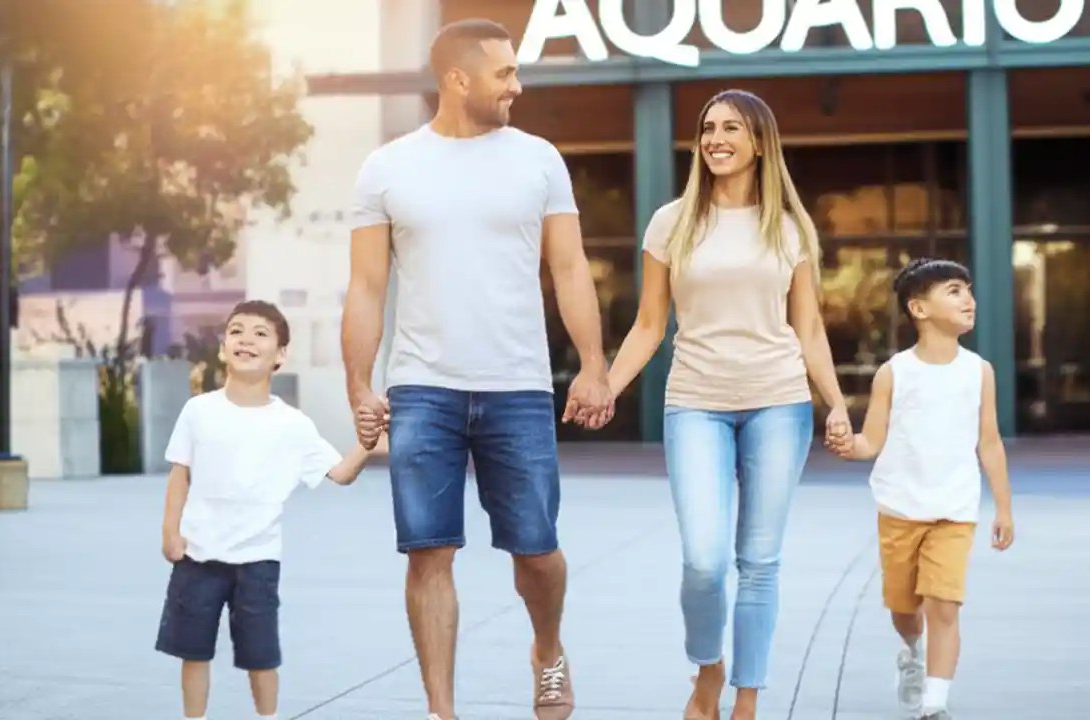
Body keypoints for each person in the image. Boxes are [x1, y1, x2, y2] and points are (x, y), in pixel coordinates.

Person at [341, 18, 613, 720]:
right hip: (422, 387)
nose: (518, 87)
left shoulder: (539, 160)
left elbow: (569, 267)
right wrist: (359, 385)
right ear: (457, 79)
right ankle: (441, 710)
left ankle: (547, 648)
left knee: (536, 551)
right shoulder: (388, 167)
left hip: (518, 386)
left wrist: (593, 365)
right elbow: (367, 287)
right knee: (428, 553)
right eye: (505, 74)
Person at [605, 88, 854, 720]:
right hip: (696, 402)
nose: (715, 138)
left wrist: (836, 403)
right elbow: (648, 325)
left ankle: (746, 700)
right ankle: (707, 667)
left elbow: (810, 328)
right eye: (707, 128)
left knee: (760, 561)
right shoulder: (672, 222)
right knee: (704, 560)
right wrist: (607, 386)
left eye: (731, 128)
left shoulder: (789, 227)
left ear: (760, 141)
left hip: (778, 402)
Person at [155, 300, 374, 720]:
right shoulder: (199, 411)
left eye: (260, 333)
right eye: (237, 331)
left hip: (258, 560)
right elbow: (180, 474)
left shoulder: (292, 424)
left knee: (261, 654)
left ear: (280, 354)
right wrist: (170, 531)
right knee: (193, 650)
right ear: (223, 347)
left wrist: (367, 443)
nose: (246, 340)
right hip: (197, 555)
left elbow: (341, 473)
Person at [826, 258, 1015, 720]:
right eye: (953, 290)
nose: (968, 298)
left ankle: (934, 705)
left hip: (954, 509)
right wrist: (849, 446)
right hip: (900, 509)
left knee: (944, 606)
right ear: (919, 308)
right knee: (905, 610)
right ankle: (911, 651)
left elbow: (988, 443)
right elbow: (873, 440)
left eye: (968, 289)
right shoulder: (894, 373)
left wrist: (1004, 509)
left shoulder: (979, 372)